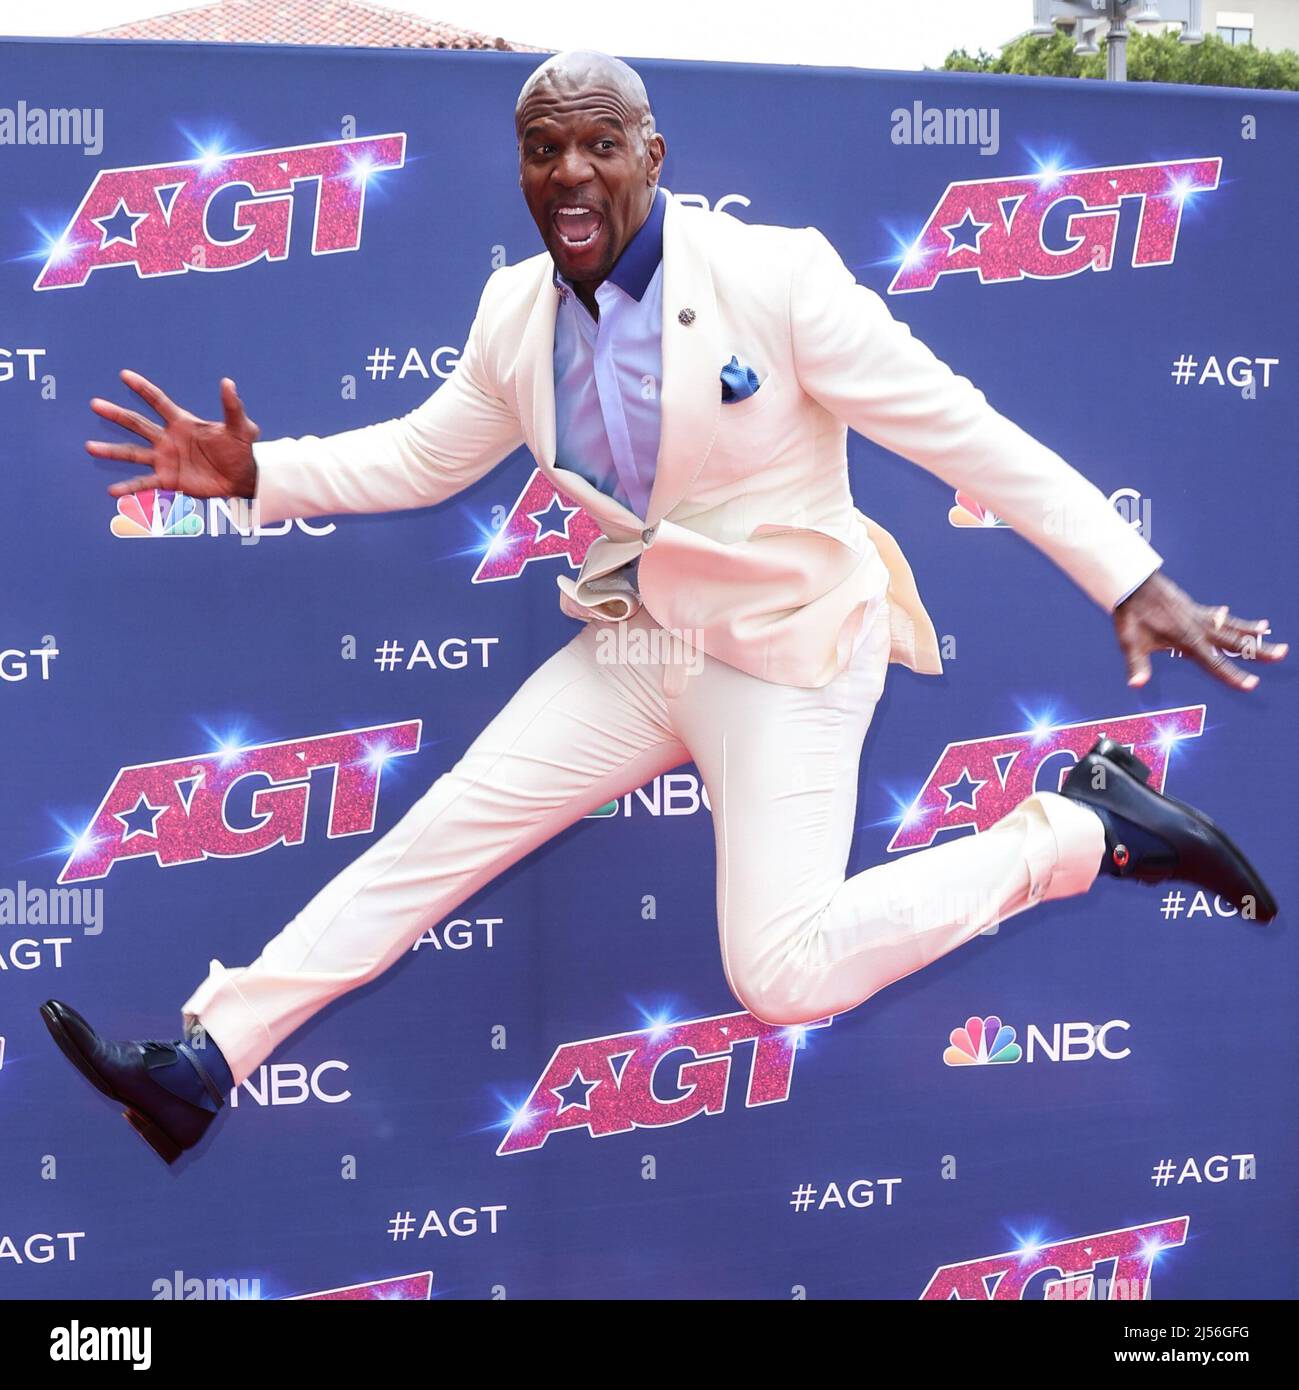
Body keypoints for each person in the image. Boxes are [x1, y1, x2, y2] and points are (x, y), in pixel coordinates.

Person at [42, 51, 1283, 1166]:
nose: (569, 172)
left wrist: (1133, 575)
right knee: (441, 836)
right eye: (543, 150)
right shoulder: (512, 318)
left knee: (782, 974)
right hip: (645, 636)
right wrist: (262, 474)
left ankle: (1077, 829)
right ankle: (210, 1060)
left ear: (653, 155)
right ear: (520, 170)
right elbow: (425, 459)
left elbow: (960, 425)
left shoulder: (776, 277)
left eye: (597, 143)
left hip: (791, 648)